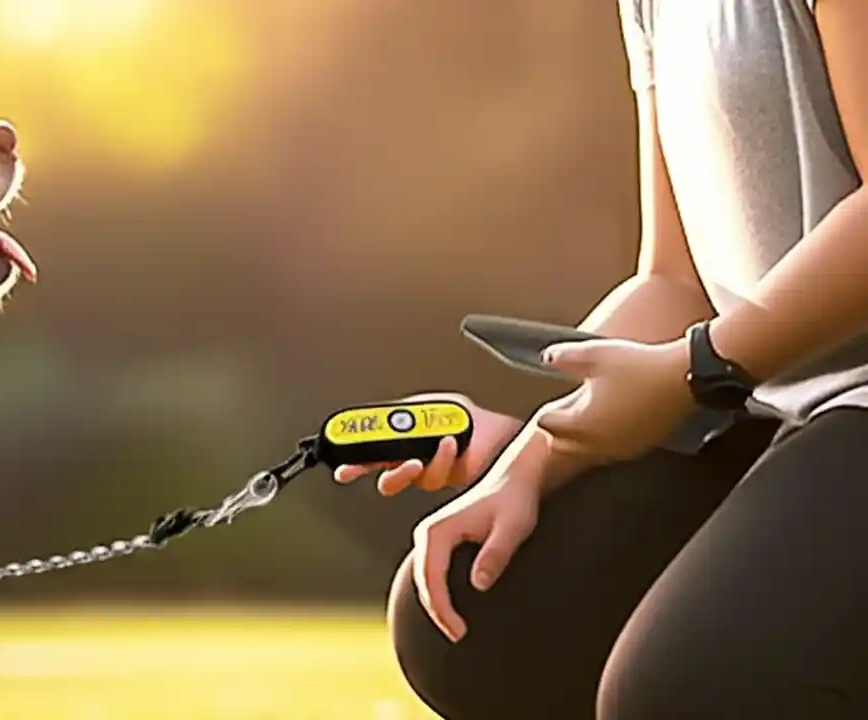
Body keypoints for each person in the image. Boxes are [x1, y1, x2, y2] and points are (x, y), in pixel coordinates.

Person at [339, 1, 868, 717]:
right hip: (768, 402)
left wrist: (699, 369)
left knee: (691, 691)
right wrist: (532, 452)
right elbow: (673, 282)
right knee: (476, 620)